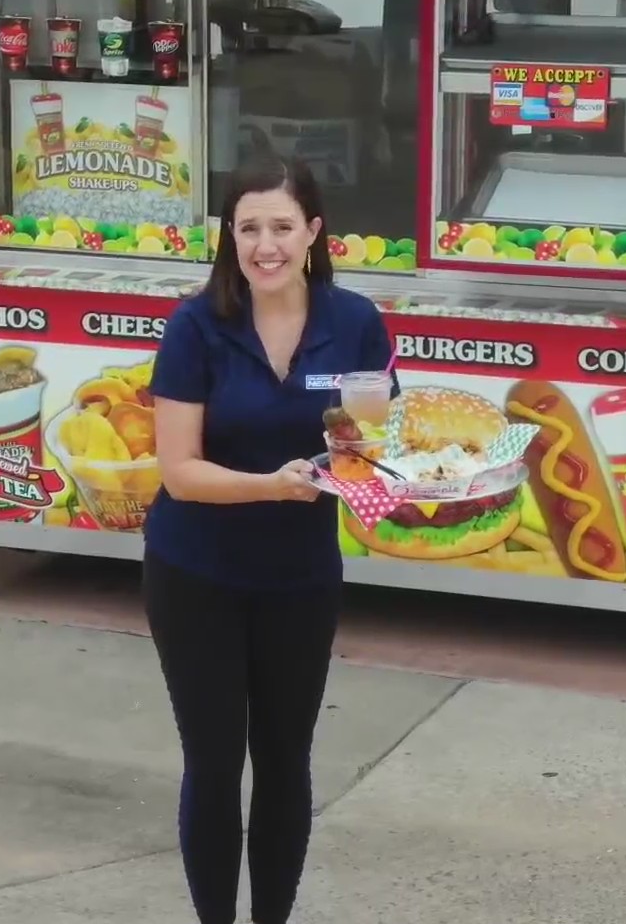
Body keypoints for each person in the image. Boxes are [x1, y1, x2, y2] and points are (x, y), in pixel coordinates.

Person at [143, 155, 395, 924]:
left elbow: (370, 450)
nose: (265, 245)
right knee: (215, 765)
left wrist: (400, 482)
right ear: (229, 236)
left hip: (300, 579)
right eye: (248, 228)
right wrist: (273, 485)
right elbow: (180, 472)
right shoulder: (196, 328)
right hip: (198, 574)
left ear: (314, 233)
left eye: (282, 226)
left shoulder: (354, 323)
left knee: (285, 764)